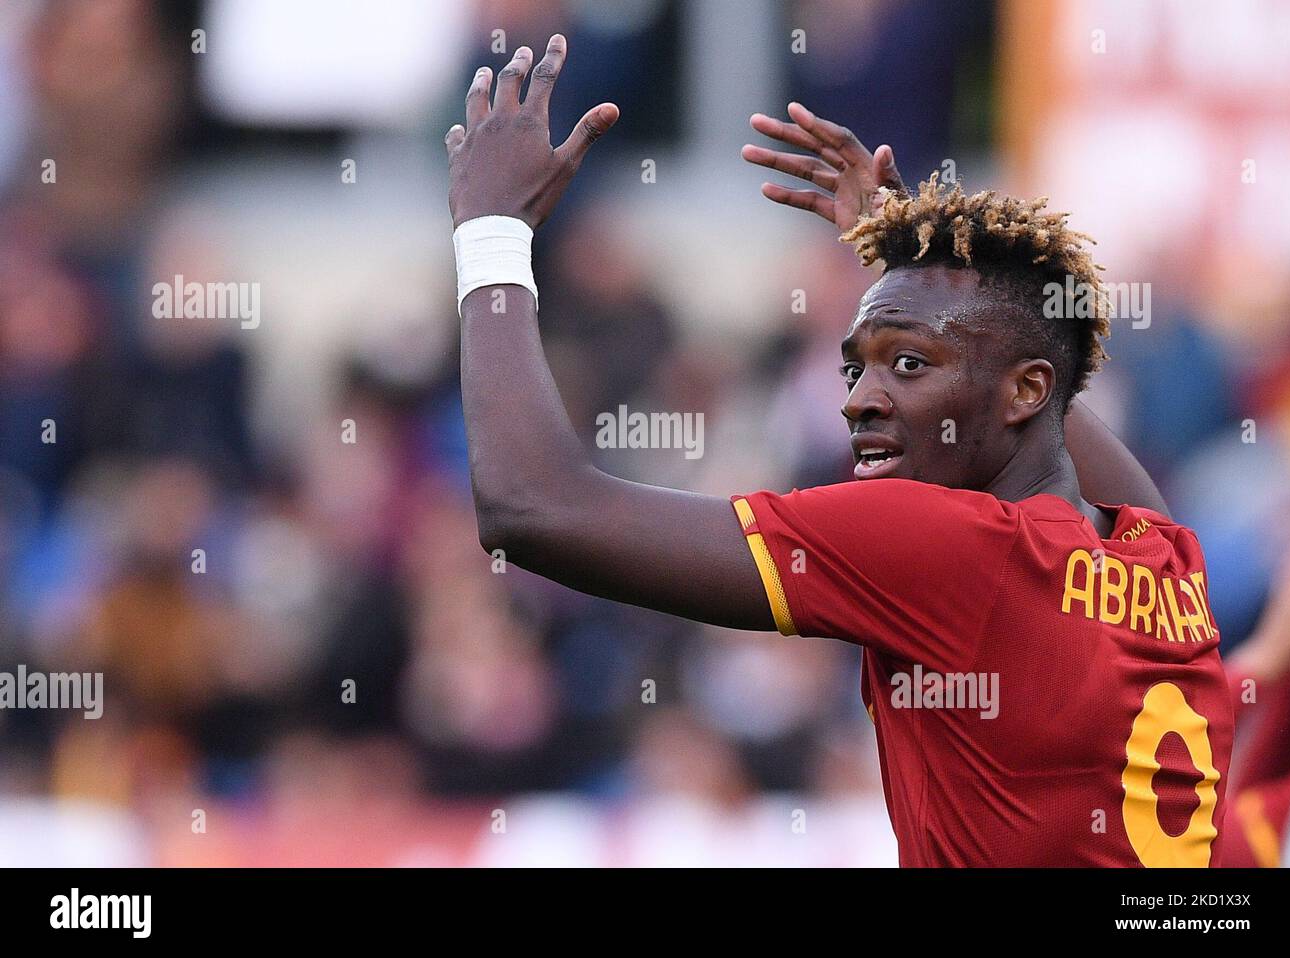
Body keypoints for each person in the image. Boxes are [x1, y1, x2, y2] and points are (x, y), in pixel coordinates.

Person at [444, 35, 1234, 866]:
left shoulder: (948, 545)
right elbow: (1049, 396)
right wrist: (921, 254)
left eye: (909, 364)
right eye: (855, 365)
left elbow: (532, 508)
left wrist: (492, 235)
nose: (858, 398)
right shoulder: (1161, 555)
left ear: (1025, 391)